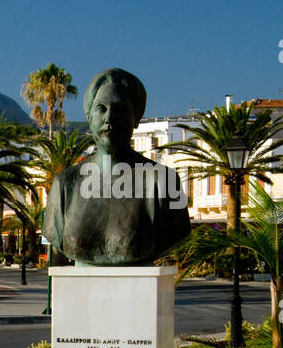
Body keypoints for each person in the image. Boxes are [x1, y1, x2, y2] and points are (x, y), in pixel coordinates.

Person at [43, 68, 190, 266]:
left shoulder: (165, 182)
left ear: (136, 118)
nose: (109, 117)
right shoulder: (64, 185)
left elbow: (176, 236)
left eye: (120, 108)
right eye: (101, 108)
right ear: (90, 117)